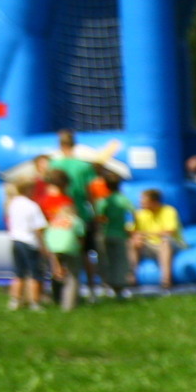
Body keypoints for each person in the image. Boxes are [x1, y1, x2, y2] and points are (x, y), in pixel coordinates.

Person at [49, 130, 101, 298]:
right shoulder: (84, 166)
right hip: (80, 214)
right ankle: (92, 289)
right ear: (74, 144)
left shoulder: (53, 165)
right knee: (86, 253)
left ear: (60, 145)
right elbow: (91, 192)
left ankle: (59, 290)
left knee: (59, 253)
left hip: (57, 215)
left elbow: (50, 191)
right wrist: (95, 213)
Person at [40, 170, 85, 311]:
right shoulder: (66, 200)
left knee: (54, 271)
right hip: (69, 241)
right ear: (64, 184)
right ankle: (69, 303)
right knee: (72, 273)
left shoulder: (43, 200)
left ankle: (56, 297)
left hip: (50, 240)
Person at [3, 185, 46, 311]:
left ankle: (14, 301)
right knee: (35, 274)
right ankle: (35, 302)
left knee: (18, 273)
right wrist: (43, 246)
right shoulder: (32, 206)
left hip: (16, 240)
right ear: (29, 189)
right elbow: (38, 228)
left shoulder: (13, 203)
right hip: (29, 242)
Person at [94, 175, 136, 300]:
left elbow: (100, 217)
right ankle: (120, 288)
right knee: (120, 262)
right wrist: (132, 228)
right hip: (120, 234)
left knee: (107, 261)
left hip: (106, 234)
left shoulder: (103, 201)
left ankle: (107, 285)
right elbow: (134, 213)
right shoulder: (123, 199)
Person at [131, 189, 183, 288]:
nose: (141, 203)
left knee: (165, 241)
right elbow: (133, 231)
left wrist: (145, 234)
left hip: (171, 245)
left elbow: (169, 231)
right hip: (151, 246)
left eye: (144, 201)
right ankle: (132, 277)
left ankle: (166, 280)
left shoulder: (168, 211)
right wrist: (137, 237)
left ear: (154, 202)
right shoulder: (140, 214)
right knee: (133, 242)